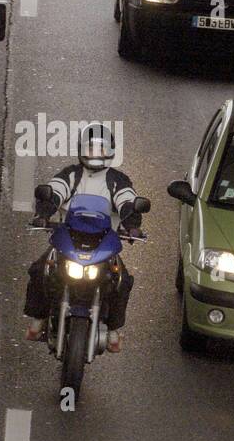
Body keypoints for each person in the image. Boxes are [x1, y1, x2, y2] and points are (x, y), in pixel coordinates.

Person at [24, 123, 145, 353]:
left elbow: (127, 201)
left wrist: (132, 225)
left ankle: (113, 331)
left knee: (122, 280)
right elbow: (55, 191)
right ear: (81, 150)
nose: (95, 155)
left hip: (103, 240)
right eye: (91, 149)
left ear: (110, 151)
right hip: (68, 237)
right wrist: (44, 213)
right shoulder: (70, 174)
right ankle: (38, 319)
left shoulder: (117, 179)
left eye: (101, 150)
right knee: (40, 270)